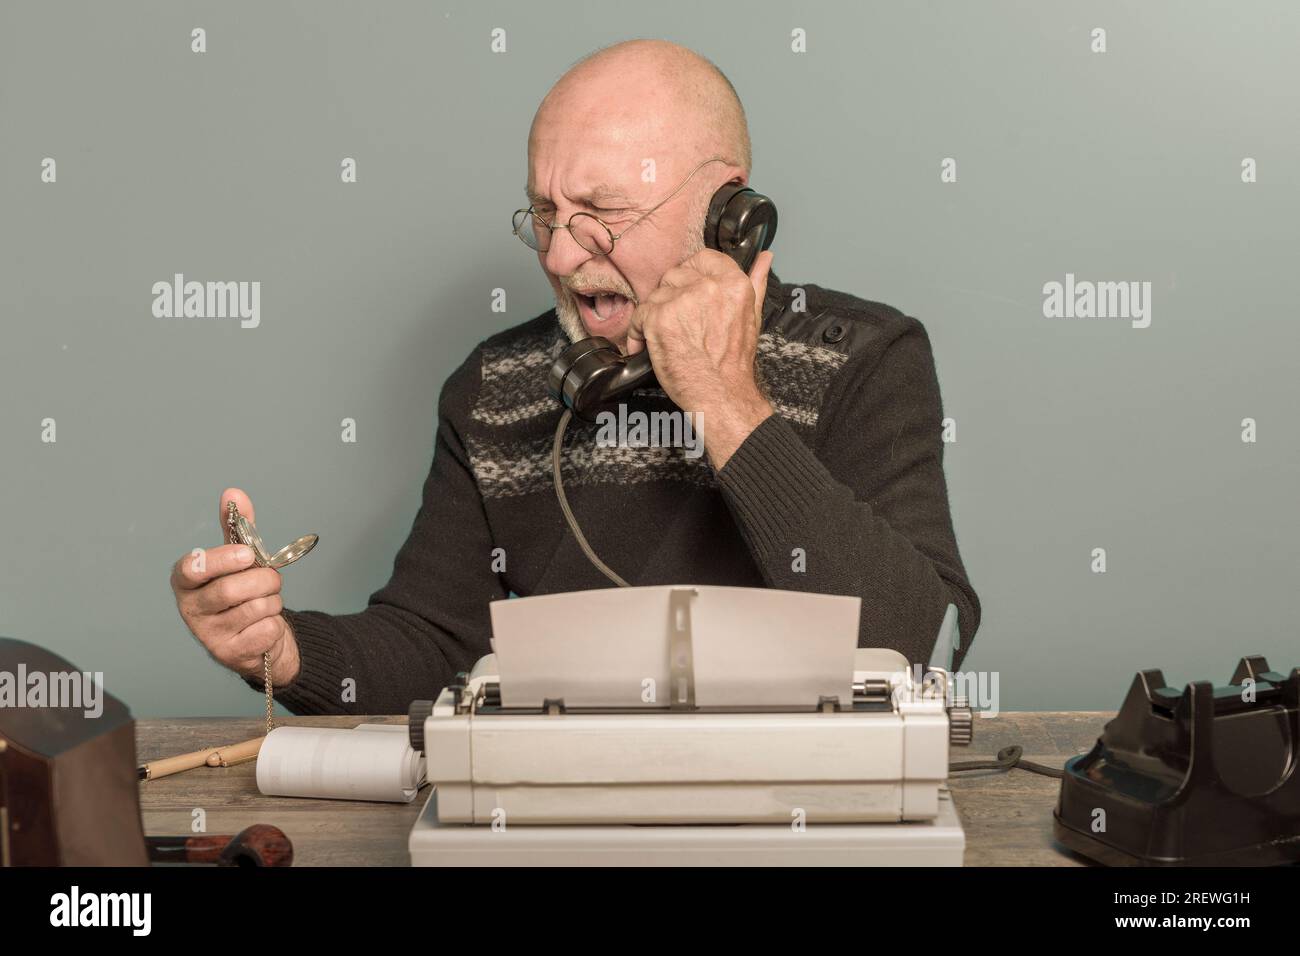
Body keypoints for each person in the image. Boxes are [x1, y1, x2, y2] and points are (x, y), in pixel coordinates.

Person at [170, 39, 980, 715]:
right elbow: (431, 645)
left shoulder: (866, 357)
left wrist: (725, 401)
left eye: (601, 214)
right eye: (547, 217)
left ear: (728, 217)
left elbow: (919, 641)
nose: (559, 256)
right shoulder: (493, 389)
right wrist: (280, 649)